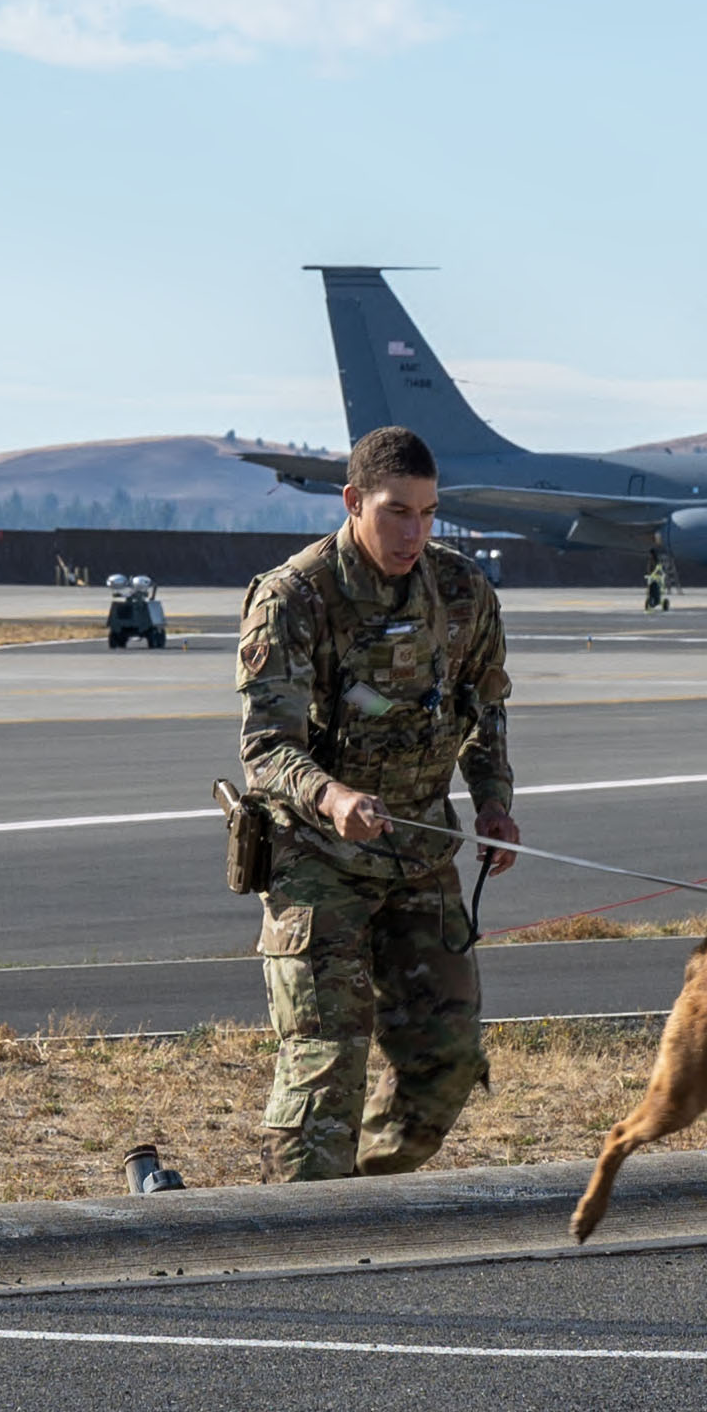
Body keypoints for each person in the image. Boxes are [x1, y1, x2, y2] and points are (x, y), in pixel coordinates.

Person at [234, 425, 519, 1181]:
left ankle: (363, 1203)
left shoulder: (461, 592)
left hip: (418, 856)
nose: (414, 531)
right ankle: (304, 1239)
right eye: (397, 511)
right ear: (354, 501)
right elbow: (266, 746)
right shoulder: (294, 598)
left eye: (428, 513)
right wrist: (330, 796)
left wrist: (493, 802)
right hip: (318, 861)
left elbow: (484, 708)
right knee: (326, 1071)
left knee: (447, 1062)